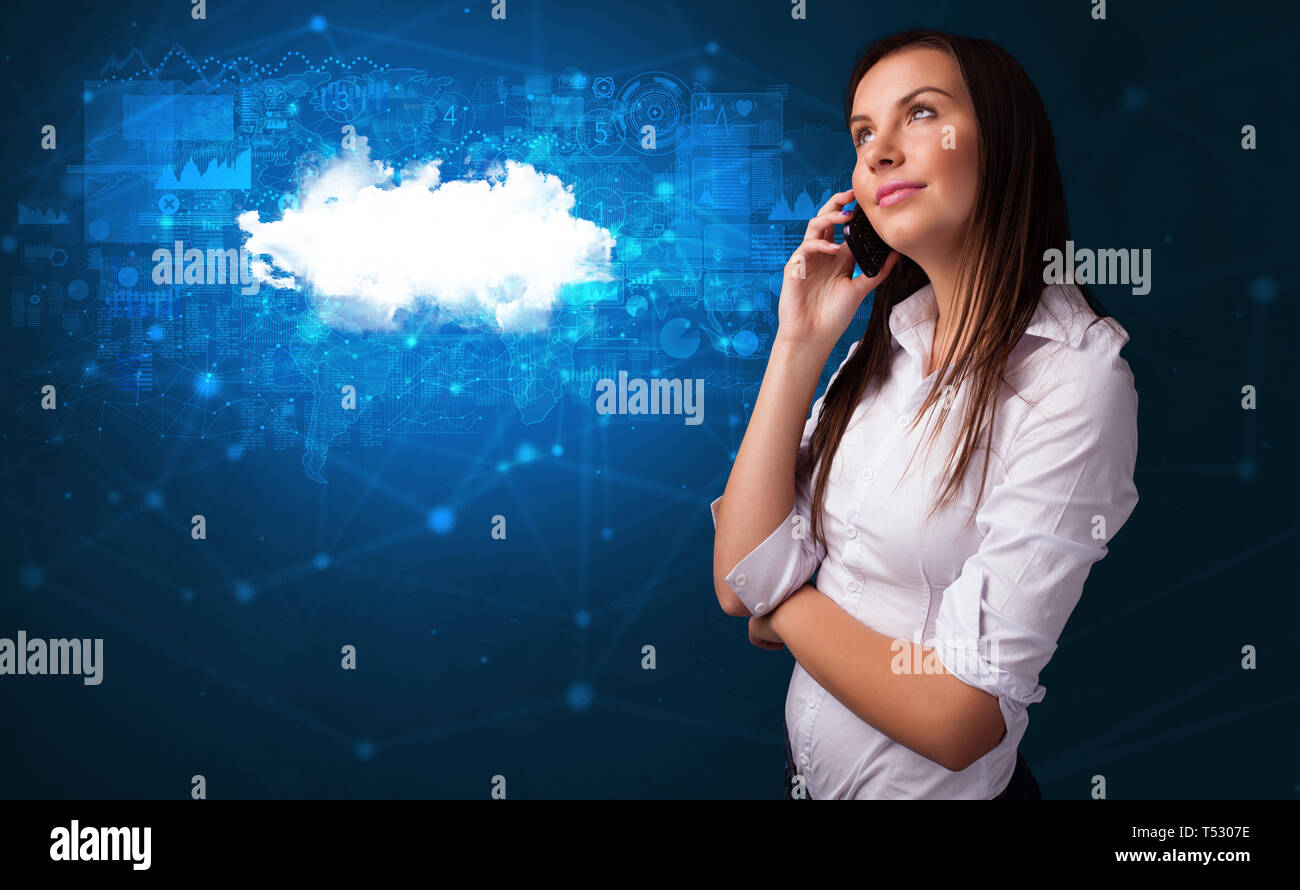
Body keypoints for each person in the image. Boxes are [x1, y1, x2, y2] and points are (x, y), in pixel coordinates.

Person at [709, 28, 1139, 799]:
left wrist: (788, 616)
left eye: (919, 114)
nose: (877, 152)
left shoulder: (1075, 379)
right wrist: (799, 345)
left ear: (1002, 141)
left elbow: (957, 719)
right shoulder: (892, 341)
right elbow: (739, 585)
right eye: (863, 132)